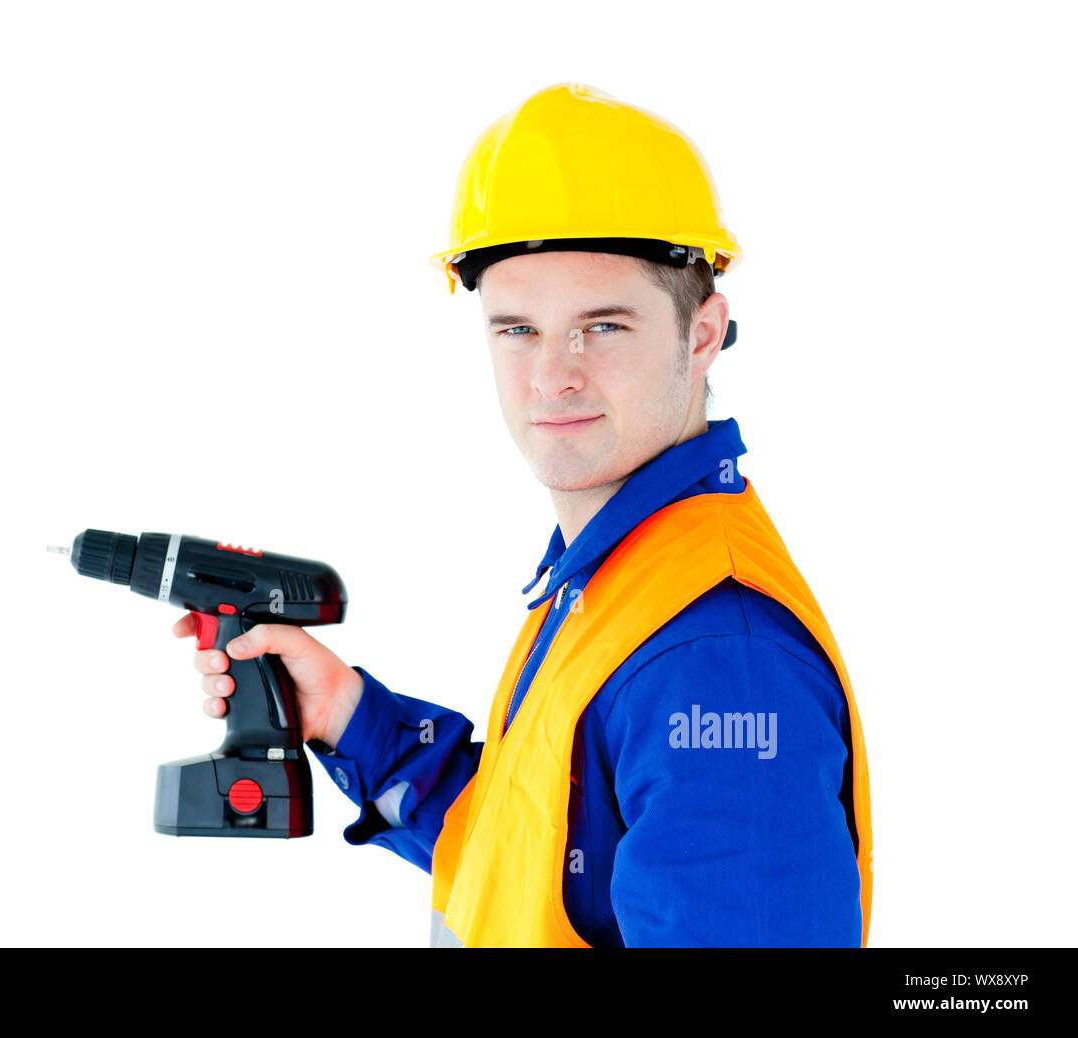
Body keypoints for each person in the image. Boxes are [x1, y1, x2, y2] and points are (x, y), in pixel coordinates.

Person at [174, 82, 872, 948]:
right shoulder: (616, 583)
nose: (553, 375)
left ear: (701, 334)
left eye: (603, 326)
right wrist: (353, 718)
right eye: (517, 330)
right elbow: (532, 861)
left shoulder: (712, 656)